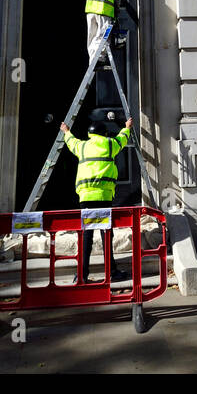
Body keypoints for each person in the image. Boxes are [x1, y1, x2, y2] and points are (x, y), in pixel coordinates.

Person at [60, 116, 133, 282]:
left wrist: (66, 131)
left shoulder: (83, 146)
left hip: (85, 197)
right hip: (104, 197)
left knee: (87, 236)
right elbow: (122, 139)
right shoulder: (109, 144)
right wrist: (127, 127)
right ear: (104, 133)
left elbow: (71, 142)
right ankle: (112, 272)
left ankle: (82, 274)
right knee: (107, 234)